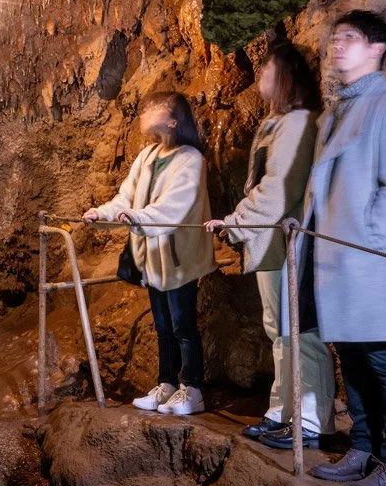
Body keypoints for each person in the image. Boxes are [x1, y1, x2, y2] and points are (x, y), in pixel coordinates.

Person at [300, 10, 386, 486]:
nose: (336, 46)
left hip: (367, 256)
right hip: (336, 253)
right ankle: (363, 447)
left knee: (385, 359)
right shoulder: (333, 114)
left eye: (348, 38)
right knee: (350, 356)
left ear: (377, 48)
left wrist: (369, 242)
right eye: (334, 39)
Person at [204, 44, 333, 450]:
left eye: (267, 68)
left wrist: (237, 222)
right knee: (280, 331)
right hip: (272, 241)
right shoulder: (278, 123)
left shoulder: (298, 122)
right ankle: (283, 412)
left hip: (290, 241)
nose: (260, 73)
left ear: (287, 76)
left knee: (300, 332)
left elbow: (279, 188)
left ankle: (312, 421)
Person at [84, 91, 216, 415]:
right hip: (151, 258)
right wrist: (101, 214)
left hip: (178, 257)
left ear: (173, 121)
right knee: (162, 326)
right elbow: (126, 198)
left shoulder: (190, 159)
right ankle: (167, 384)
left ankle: (193, 389)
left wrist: (139, 218)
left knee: (183, 325)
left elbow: (174, 207)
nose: (145, 112)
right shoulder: (147, 157)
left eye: (154, 108)